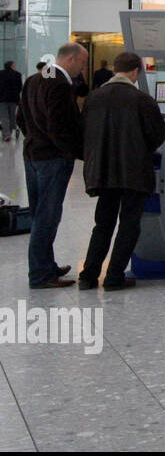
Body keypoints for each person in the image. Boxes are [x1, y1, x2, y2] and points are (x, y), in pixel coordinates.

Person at [78, 52, 165, 291]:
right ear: (135, 72)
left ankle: (88, 275)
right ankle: (114, 276)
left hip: (102, 171)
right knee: (128, 224)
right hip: (133, 172)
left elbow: (83, 133)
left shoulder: (94, 98)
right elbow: (158, 134)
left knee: (103, 224)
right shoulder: (142, 100)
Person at [16, 42, 88, 288]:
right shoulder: (59, 84)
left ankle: (46, 265)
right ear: (70, 60)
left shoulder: (34, 80)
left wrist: (34, 139)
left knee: (39, 214)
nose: (83, 68)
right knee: (47, 217)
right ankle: (40, 274)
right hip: (52, 159)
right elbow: (59, 126)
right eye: (82, 63)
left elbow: (20, 118)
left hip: (33, 155)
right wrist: (74, 153)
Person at [0, 60, 21, 142]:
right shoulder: (17, 75)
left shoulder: (0, 74)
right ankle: (10, 130)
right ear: (11, 66)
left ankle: (6, 134)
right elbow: (20, 87)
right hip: (13, 99)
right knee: (12, 116)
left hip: (1, 99)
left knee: (4, 117)